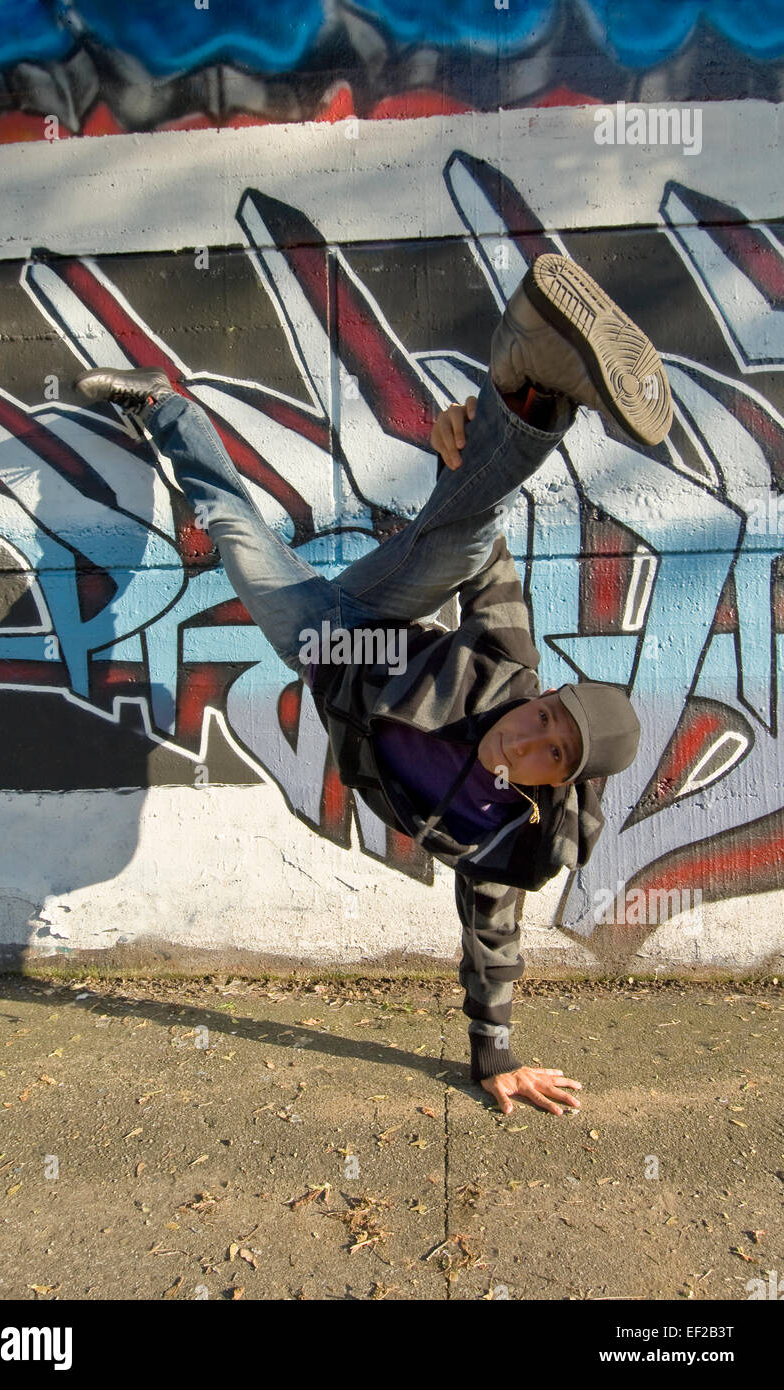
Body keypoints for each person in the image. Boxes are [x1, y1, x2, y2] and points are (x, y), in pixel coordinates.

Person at [74, 253, 672, 1118]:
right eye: (544, 716)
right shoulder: (508, 673)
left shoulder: (504, 842)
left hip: (321, 643)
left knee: (234, 526)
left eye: (550, 754)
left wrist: (493, 1055)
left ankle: (162, 403)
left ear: (557, 788)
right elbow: (480, 550)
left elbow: (491, 942)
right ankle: (530, 385)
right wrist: (456, 452)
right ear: (542, 696)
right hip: (384, 612)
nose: (525, 736)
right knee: (465, 537)